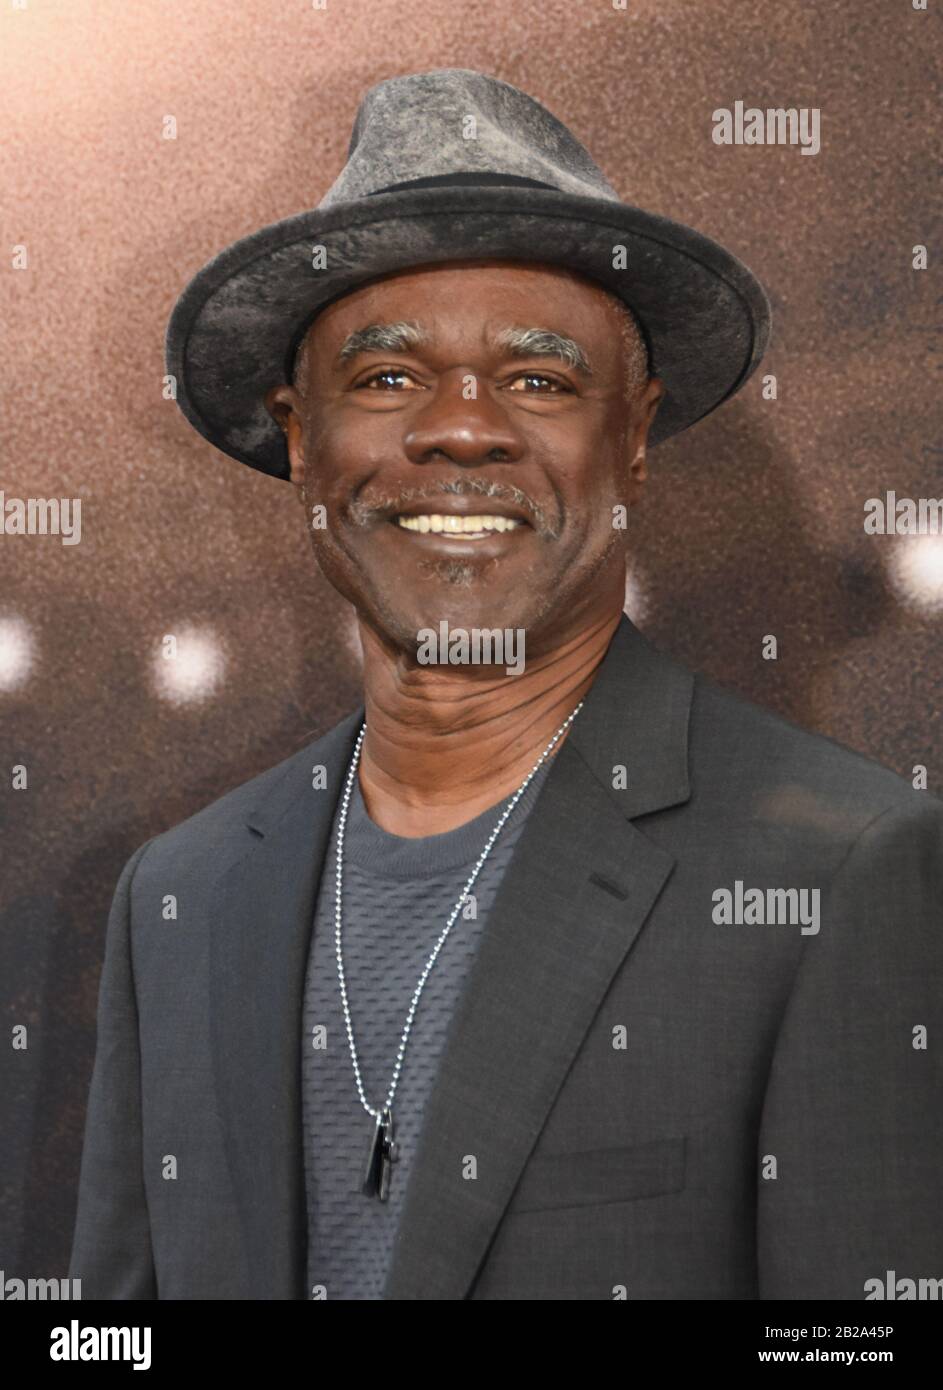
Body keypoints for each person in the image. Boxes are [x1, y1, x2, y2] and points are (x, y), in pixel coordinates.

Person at [69, 68, 943, 1300]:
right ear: (299, 435)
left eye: (537, 379)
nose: (461, 428)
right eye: (384, 379)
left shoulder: (842, 869)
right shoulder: (180, 893)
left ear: (632, 435)